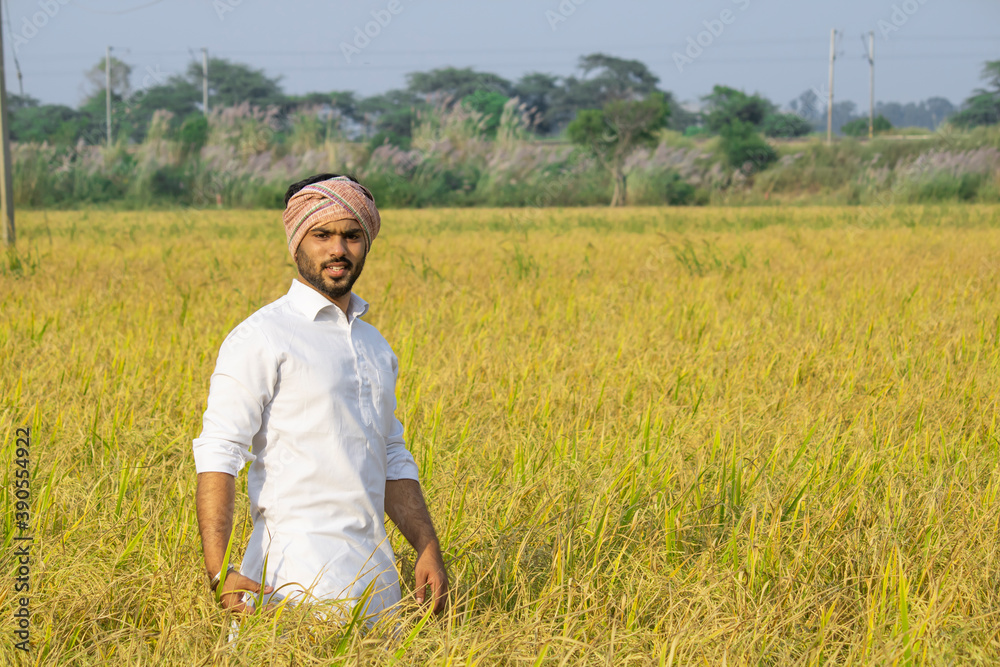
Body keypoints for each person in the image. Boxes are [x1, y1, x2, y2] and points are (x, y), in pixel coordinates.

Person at [193, 174, 448, 623]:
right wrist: (218, 573)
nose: (338, 250)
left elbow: (390, 453)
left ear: (366, 244)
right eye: (322, 235)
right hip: (288, 585)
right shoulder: (261, 336)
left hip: (378, 586)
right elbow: (219, 450)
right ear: (296, 244)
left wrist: (427, 548)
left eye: (352, 236)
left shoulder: (375, 346)